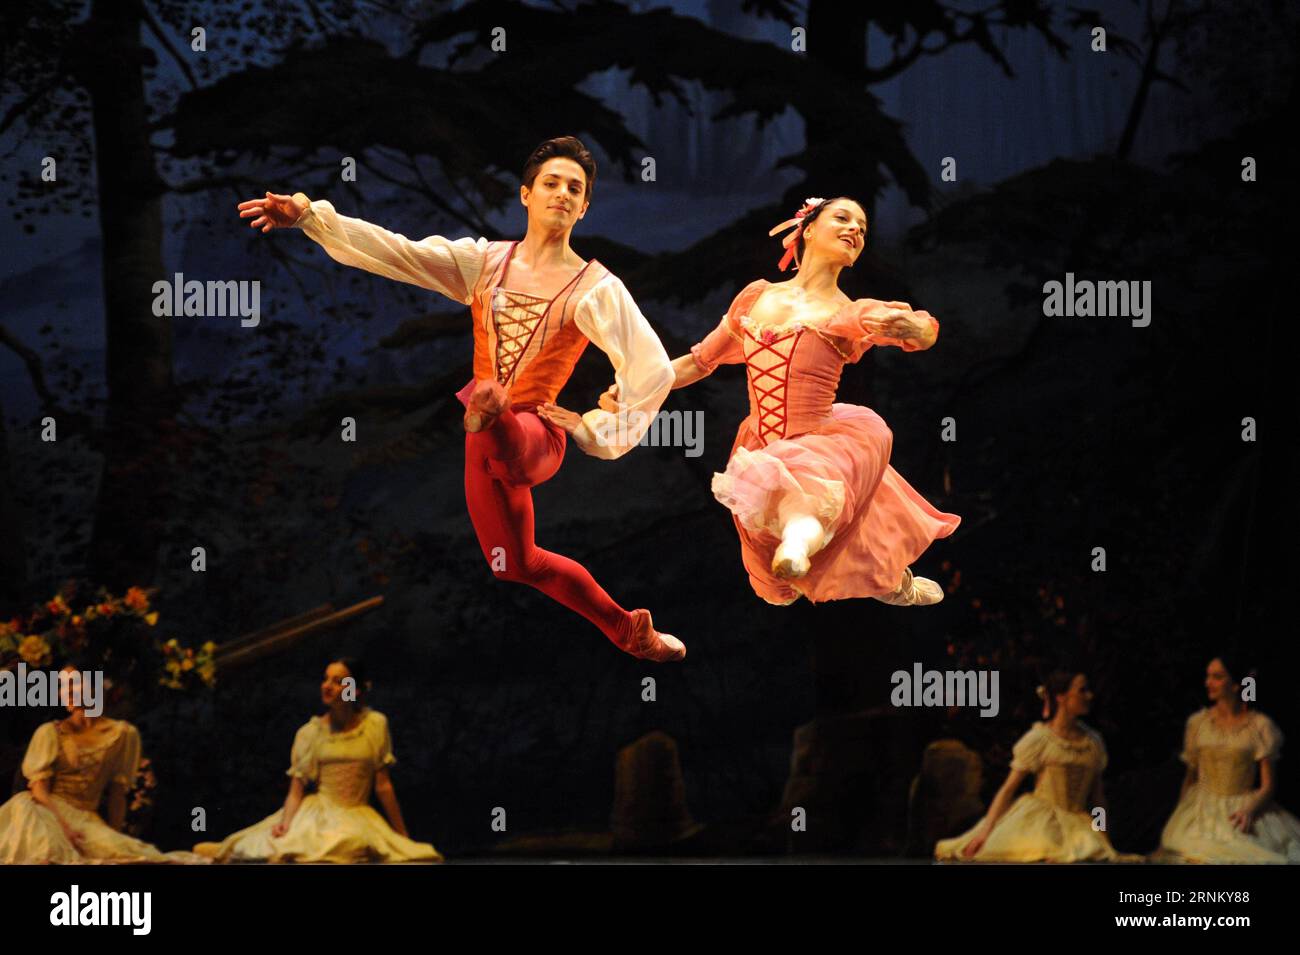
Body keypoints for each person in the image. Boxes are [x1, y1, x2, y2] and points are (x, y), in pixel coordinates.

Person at [237, 136, 682, 661]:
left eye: (574, 188)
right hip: (484, 444)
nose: (562, 193)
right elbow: (398, 252)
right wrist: (311, 217)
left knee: (506, 435)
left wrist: (594, 425)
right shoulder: (483, 263)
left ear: (584, 208)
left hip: (538, 434)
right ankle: (626, 628)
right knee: (514, 564)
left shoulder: (595, 287)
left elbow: (649, 364)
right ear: (526, 195)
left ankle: (490, 410)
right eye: (551, 183)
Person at [648, 196, 958, 606]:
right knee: (780, 585)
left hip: (820, 440)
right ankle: (883, 578)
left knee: (810, 497)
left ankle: (811, 551)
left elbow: (920, 331)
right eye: (843, 218)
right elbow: (699, 361)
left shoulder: (848, 313)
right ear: (808, 229)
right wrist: (639, 389)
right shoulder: (755, 298)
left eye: (862, 228)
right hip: (761, 444)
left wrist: (914, 327)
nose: (855, 230)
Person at [195, 658, 440, 863]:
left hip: (356, 812)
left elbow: (383, 786)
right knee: (283, 843)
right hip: (318, 811)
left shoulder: (375, 725)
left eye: (337, 681)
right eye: (325, 679)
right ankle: (226, 849)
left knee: (351, 842)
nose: (327, 686)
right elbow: (295, 791)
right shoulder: (310, 733)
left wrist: (402, 835)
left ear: (353, 688)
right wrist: (286, 822)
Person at [0, 665, 205, 864]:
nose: (67, 691)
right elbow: (39, 791)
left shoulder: (123, 734)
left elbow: (118, 794)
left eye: (74, 683)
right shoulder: (50, 732)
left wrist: (113, 836)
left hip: (85, 818)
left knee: (132, 856)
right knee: (41, 842)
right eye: (61, 686)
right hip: (47, 813)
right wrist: (65, 829)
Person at [935, 671, 1139, 862]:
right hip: (1040, 820)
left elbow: (1097, 798)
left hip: (1077, 823)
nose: (1089, 695)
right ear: (1061, 697)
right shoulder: (1041, 739)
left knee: (1083, 850)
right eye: (1082, 690)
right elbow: (1008, 789)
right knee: (1042, 849)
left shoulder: (1093, 741)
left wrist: (1102, 835)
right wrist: (986, 831)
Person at [1156, 654, 1300, 863]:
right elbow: (1190, 778)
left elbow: (1268, 785)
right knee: (1190, 851)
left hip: (1242, 804)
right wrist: (1179, 816)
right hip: (1201, 808)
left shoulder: (1259, 726)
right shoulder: (1198, 723)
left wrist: (1249, 810)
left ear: (1235, 685)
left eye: (1217, 677)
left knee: (1245, 853)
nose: (1208, 683)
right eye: (1208, 676)